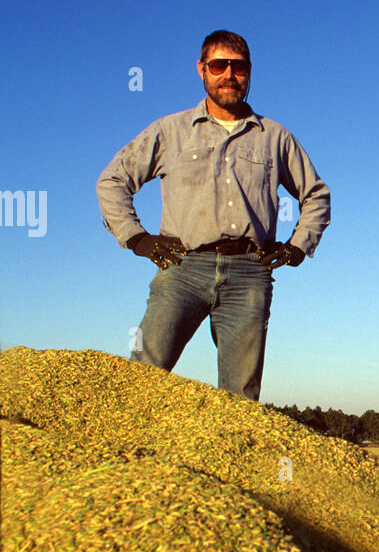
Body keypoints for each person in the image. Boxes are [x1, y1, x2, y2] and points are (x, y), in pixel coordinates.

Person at [96, 30, 331, 401]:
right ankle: (123, 455)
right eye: (219, 65)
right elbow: (112, 181)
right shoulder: (170, 131)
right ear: (201, 70)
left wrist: (297, 248)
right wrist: (138, 239)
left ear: (249, 73)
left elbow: (316, 194)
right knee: (144, 376)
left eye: (238, 67)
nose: (229, 75)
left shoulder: (275, 137)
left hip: (249, 274)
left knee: (241, 398)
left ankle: (234, 460)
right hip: (182, 267)